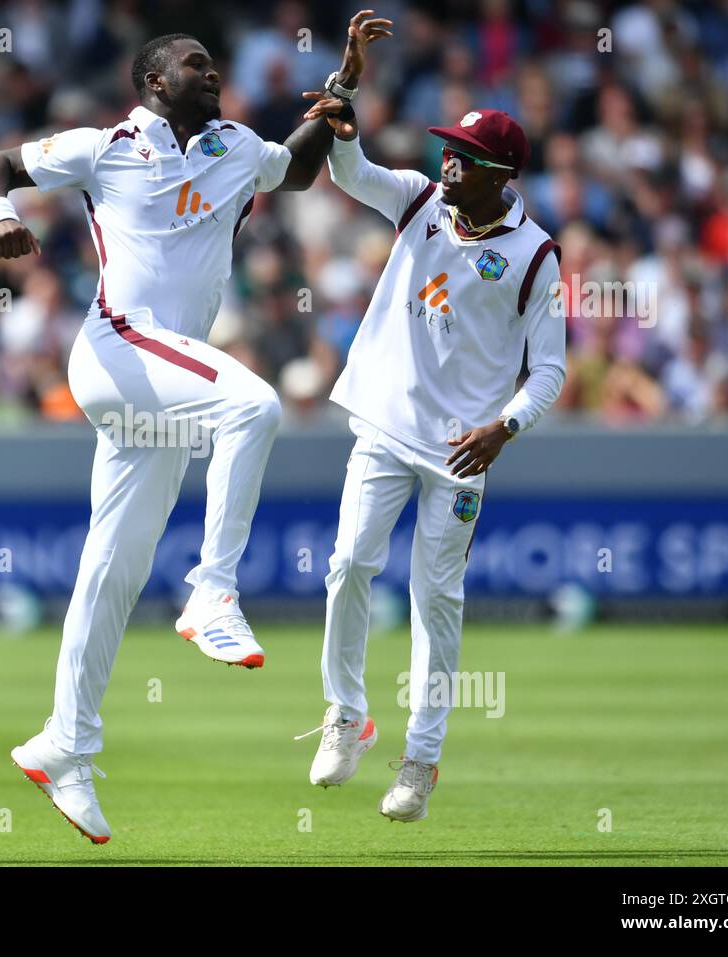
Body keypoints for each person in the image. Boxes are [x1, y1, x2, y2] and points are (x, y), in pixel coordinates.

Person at [0, 30, 356, 843]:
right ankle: (213, 591)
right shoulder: (104, 146)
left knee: (112, 567)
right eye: (195, 66)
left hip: (162, 387)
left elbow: (293, 166)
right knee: (254, 406)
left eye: (214, 66)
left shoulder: (236, 146)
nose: (212, 74)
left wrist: (335, 97)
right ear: (153, 80)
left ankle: (63, 743)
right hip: (115, 349)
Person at [297, 13, 566, 823]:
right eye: (449, 148)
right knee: (347, 564)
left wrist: (505, 427)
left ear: (501, 175)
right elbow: (351, 170)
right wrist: (343, 95)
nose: (448, 159)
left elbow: (548, 369)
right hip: (383, 421)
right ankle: (346, 715)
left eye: (466, 155)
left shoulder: (535, 255)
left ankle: (421, 760)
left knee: (433, 600)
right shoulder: (420, 199)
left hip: (461, 450)